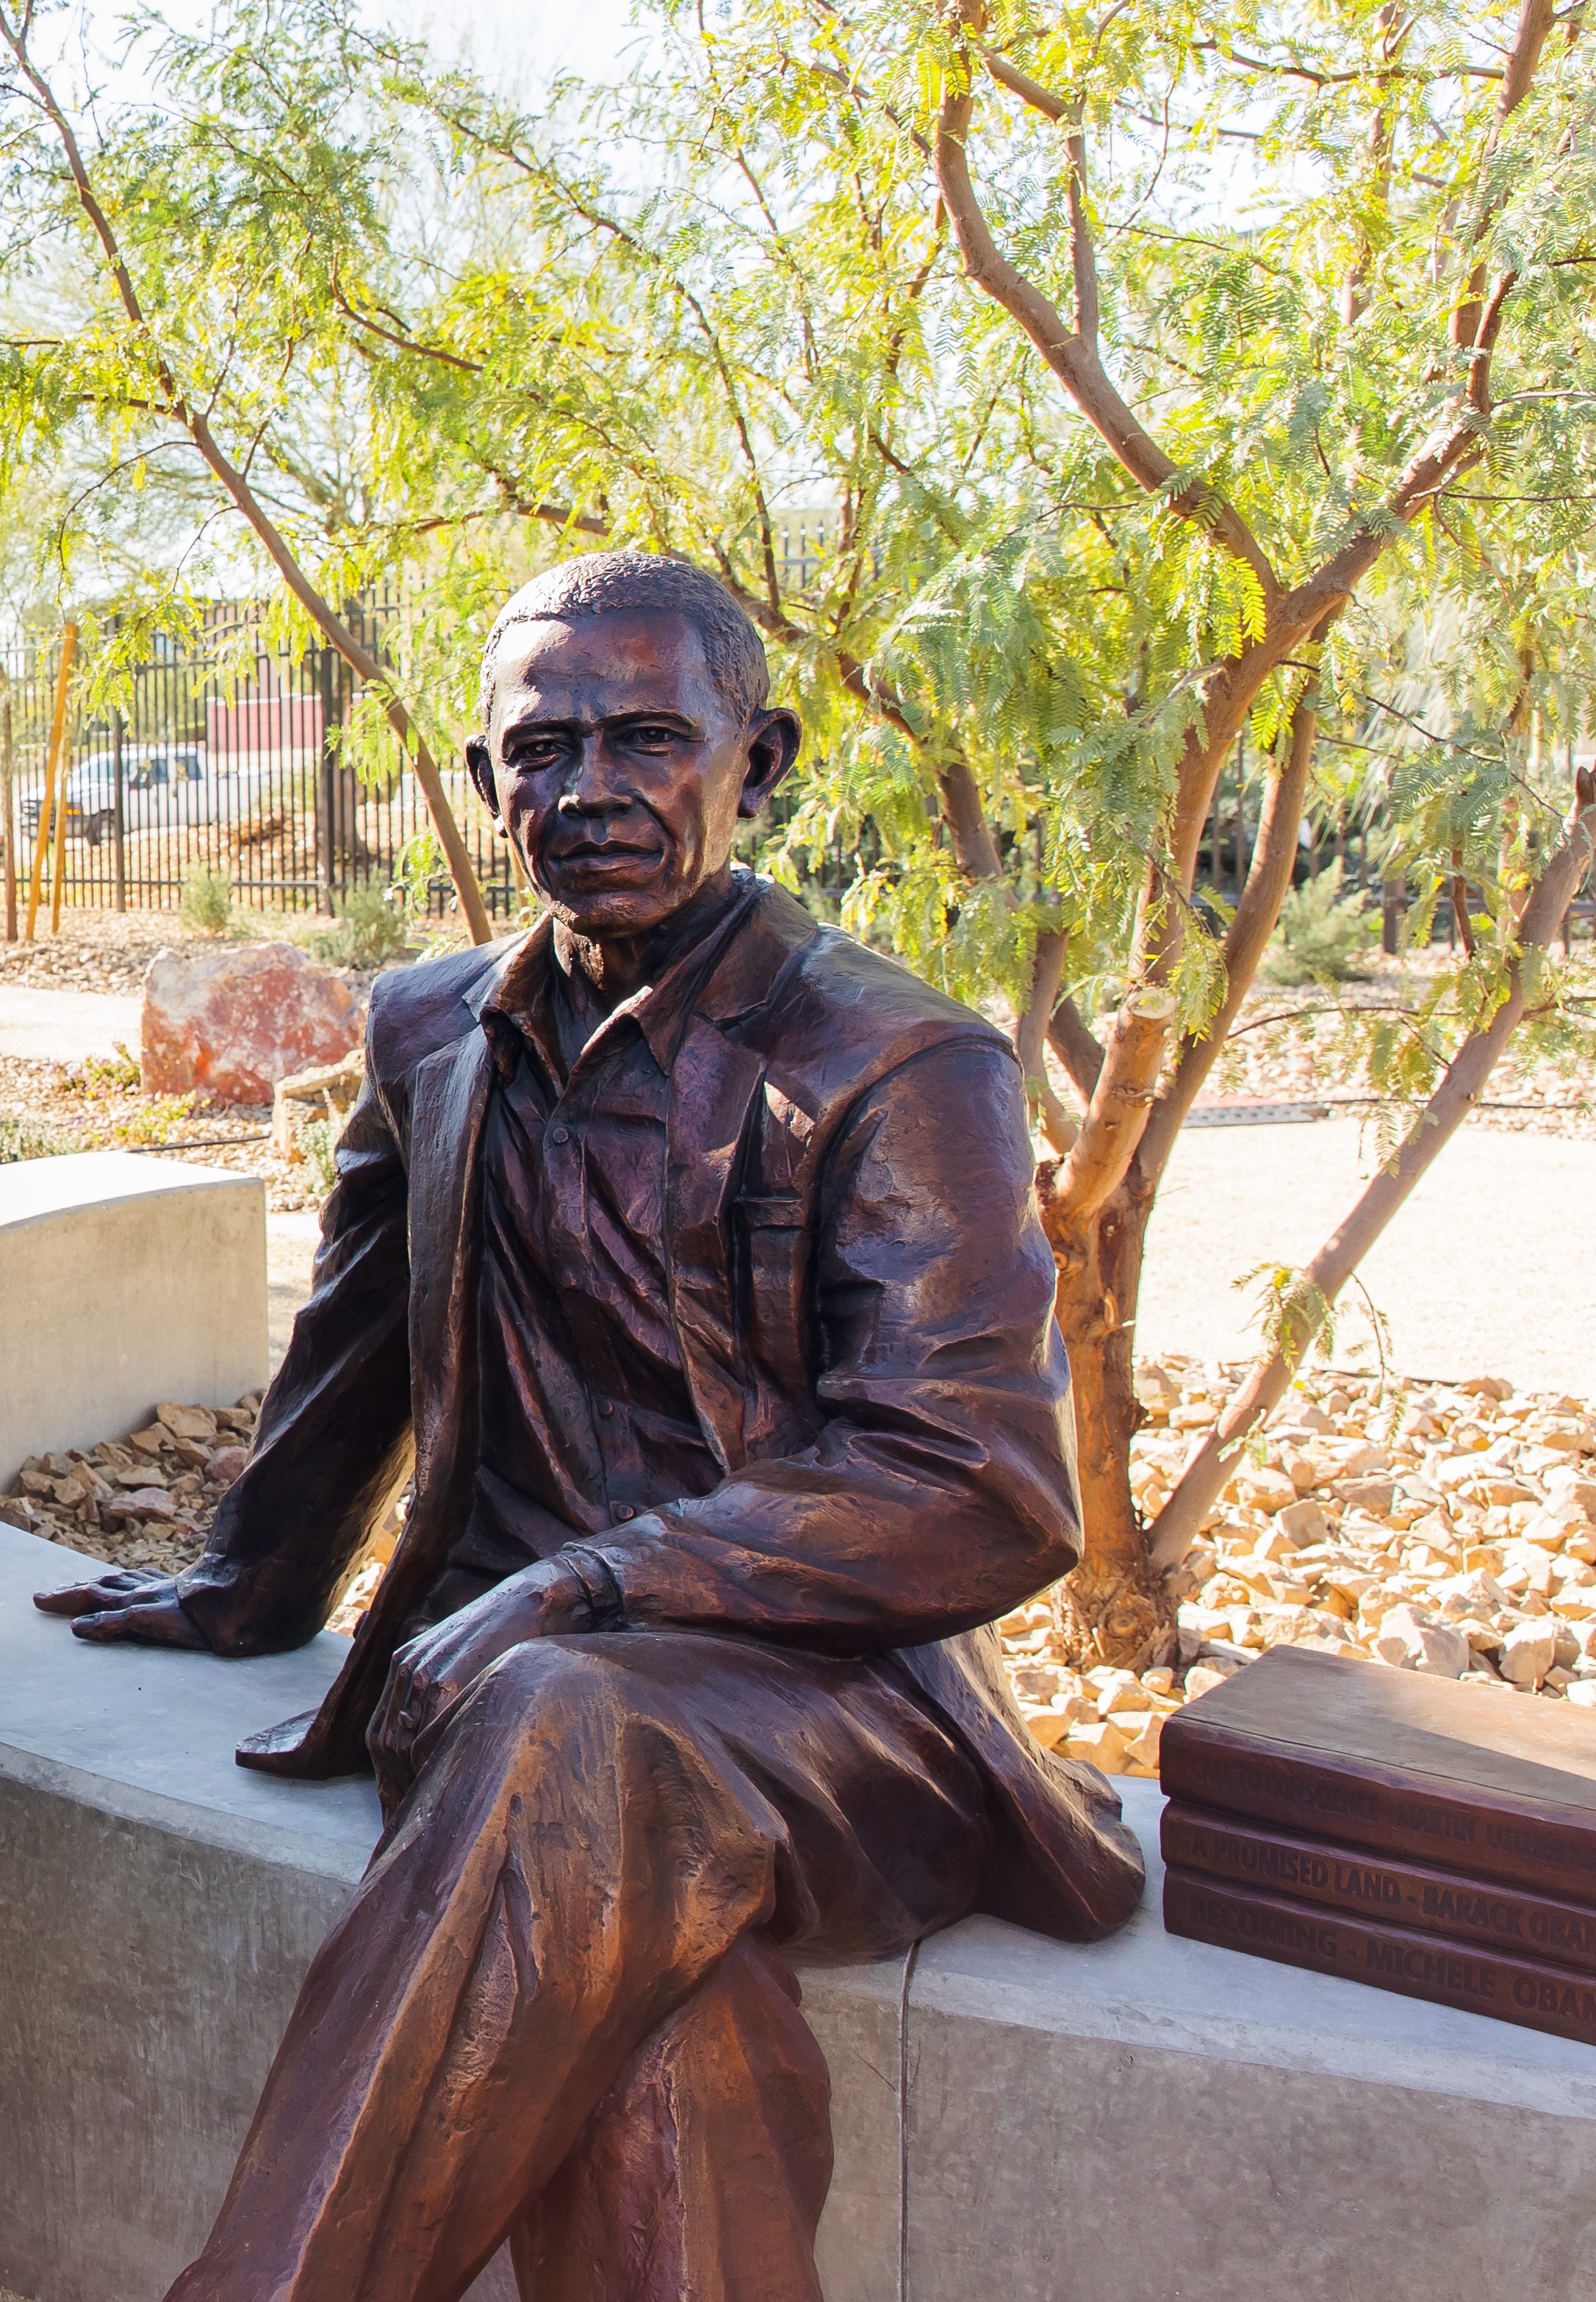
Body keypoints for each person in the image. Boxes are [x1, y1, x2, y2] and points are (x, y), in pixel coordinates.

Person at [36, 551, 1143, 2302]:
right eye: (542, 753)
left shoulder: (895, 1065)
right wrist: (250, 1581)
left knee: (579, 1732)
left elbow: (984, 1484)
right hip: (499, 1722)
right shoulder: (430, 1029)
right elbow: (355, 1351)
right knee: (659, 2020)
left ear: (756, 758)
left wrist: (588, 1587)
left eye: (646, 738)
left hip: (823, 1709)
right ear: (488, 783)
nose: (590, 791)